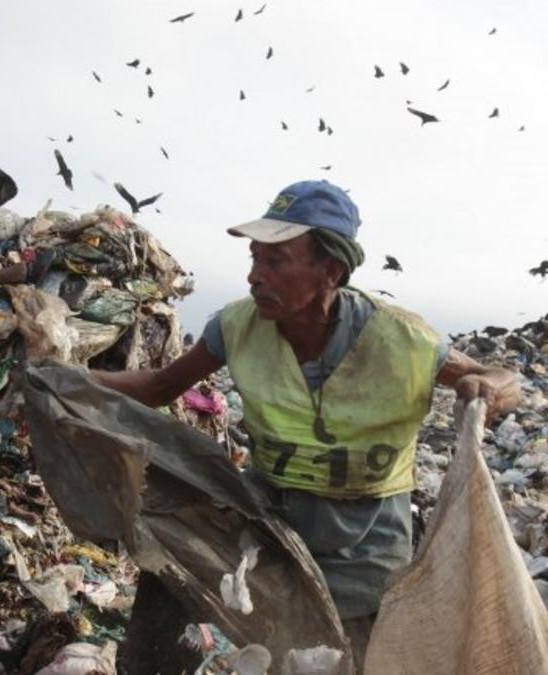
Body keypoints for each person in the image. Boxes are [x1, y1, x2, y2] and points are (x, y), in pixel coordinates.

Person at [93, 180, 521, 662]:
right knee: (174, 571)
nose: (255, 276)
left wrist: (488, 388)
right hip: (269, 522)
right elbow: (158, 387)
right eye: (254, 258)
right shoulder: (236, 327)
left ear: (331, 270)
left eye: (275, 261)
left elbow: (500, 377)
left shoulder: (400, 338)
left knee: (342, 659)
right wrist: (58, 375)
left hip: (362, 545)